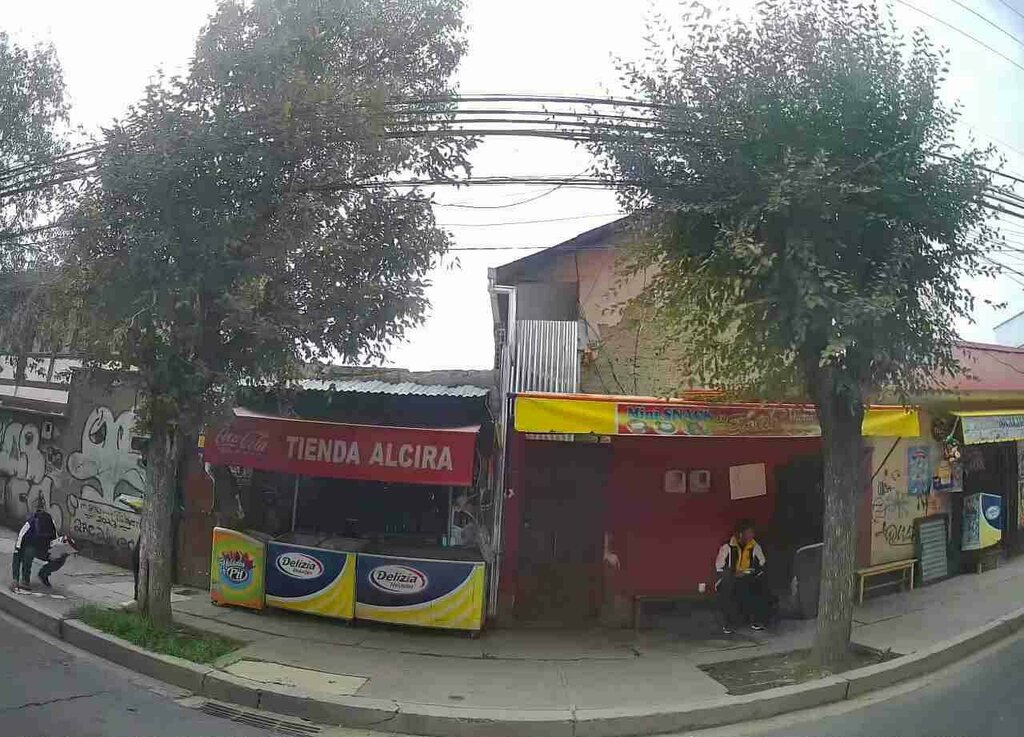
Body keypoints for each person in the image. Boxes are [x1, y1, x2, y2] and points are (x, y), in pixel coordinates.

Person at [714, 519, 770, 635]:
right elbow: (719, 567)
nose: (752, 535)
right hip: (731, 578)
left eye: (752, 533)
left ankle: (756, 621)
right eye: (749, 533)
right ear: (740, 534)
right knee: (727, 587)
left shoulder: (755, 546)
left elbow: (763, 564)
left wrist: (750, 573)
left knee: (759, 585)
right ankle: (728, 623)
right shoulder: (727, 547)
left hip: (747, 577)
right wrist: (733, 574)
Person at [11, 501, 68, 590]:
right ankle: (25, 579)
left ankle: (43, 573)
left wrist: (59, 551)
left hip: (45, 548)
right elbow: (17, 549)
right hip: (30, 547)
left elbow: (55, 540)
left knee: (61, 557)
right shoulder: (30, 523)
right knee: (28, 552)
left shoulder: (50, 521)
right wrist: (15, 578)